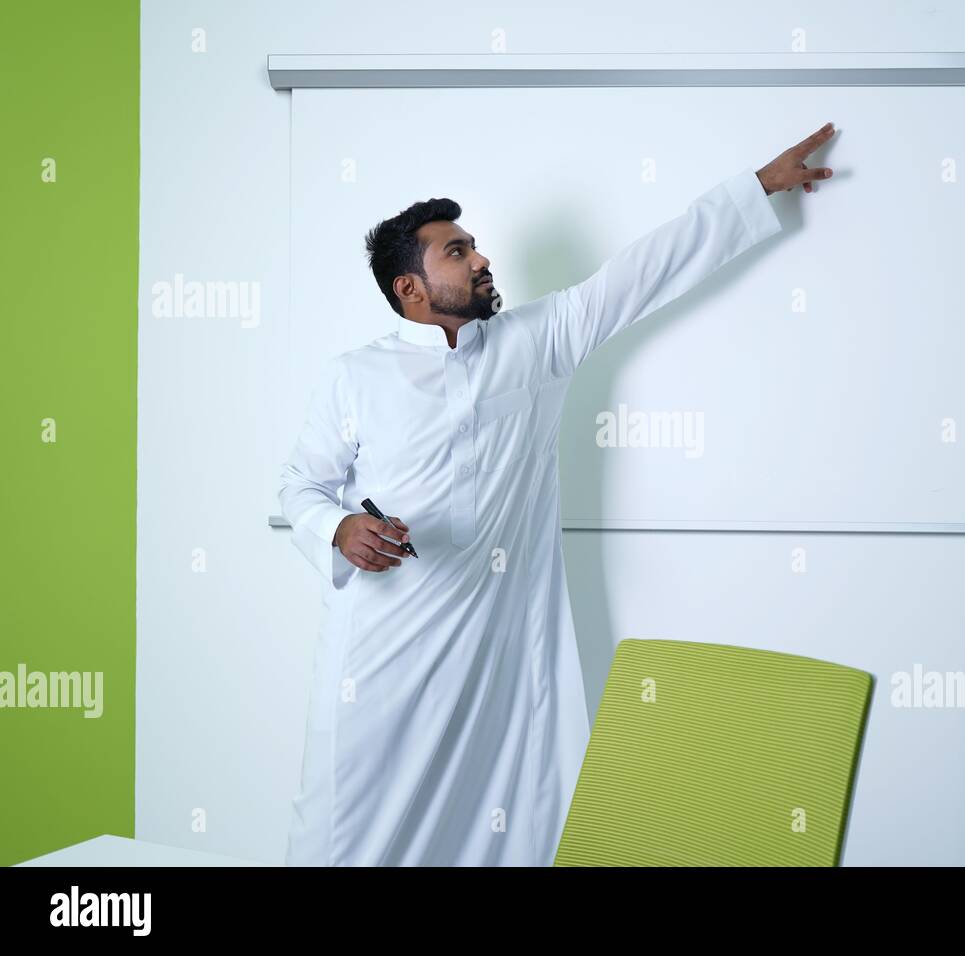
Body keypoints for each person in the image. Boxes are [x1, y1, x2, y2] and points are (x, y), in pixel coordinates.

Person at [277, 124, 836, 865]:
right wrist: (341, 527)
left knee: (498, 824)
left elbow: (642, 274)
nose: (481, 259)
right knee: (347, 830)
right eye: (458, 251)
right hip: (384, 659)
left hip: (495, 657)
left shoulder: (534, 342)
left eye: (473, 244)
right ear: (409, 288)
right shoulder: (354, 376)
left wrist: (755, 188)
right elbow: (299, 487)